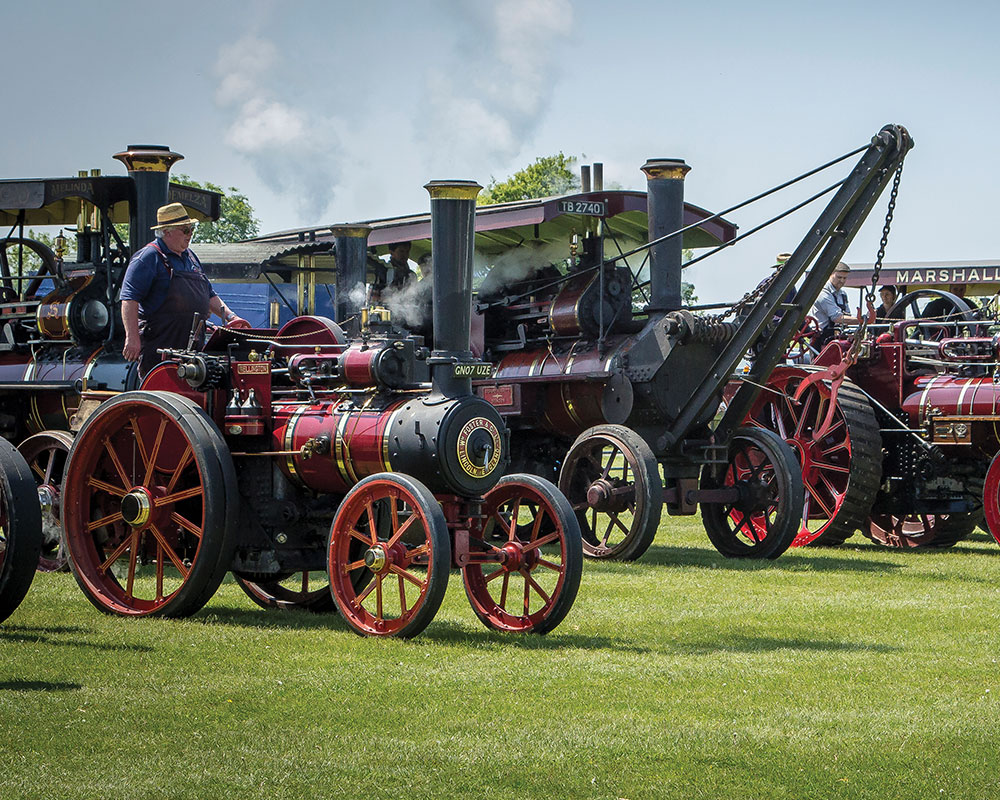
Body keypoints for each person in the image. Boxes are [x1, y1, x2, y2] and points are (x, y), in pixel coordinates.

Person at [121, 203, 246, 377]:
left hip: (193, 350)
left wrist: (231, 317)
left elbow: (209, 295)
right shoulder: (148, 257)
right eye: (186, 230)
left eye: (192, 229)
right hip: (160, 348)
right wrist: (132, 337)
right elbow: (129, 299)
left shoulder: (191, 257)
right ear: (167, 232)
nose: (190, 234)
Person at [810, 262, 863, 348]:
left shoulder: (843, 294)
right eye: (839, 277)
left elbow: (847, 315)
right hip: (821, 338)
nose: (842, 281)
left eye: (844, 278)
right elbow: (836, 317)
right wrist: (862, 320)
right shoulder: (823, 293)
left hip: (838, 336)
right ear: (830, 274)